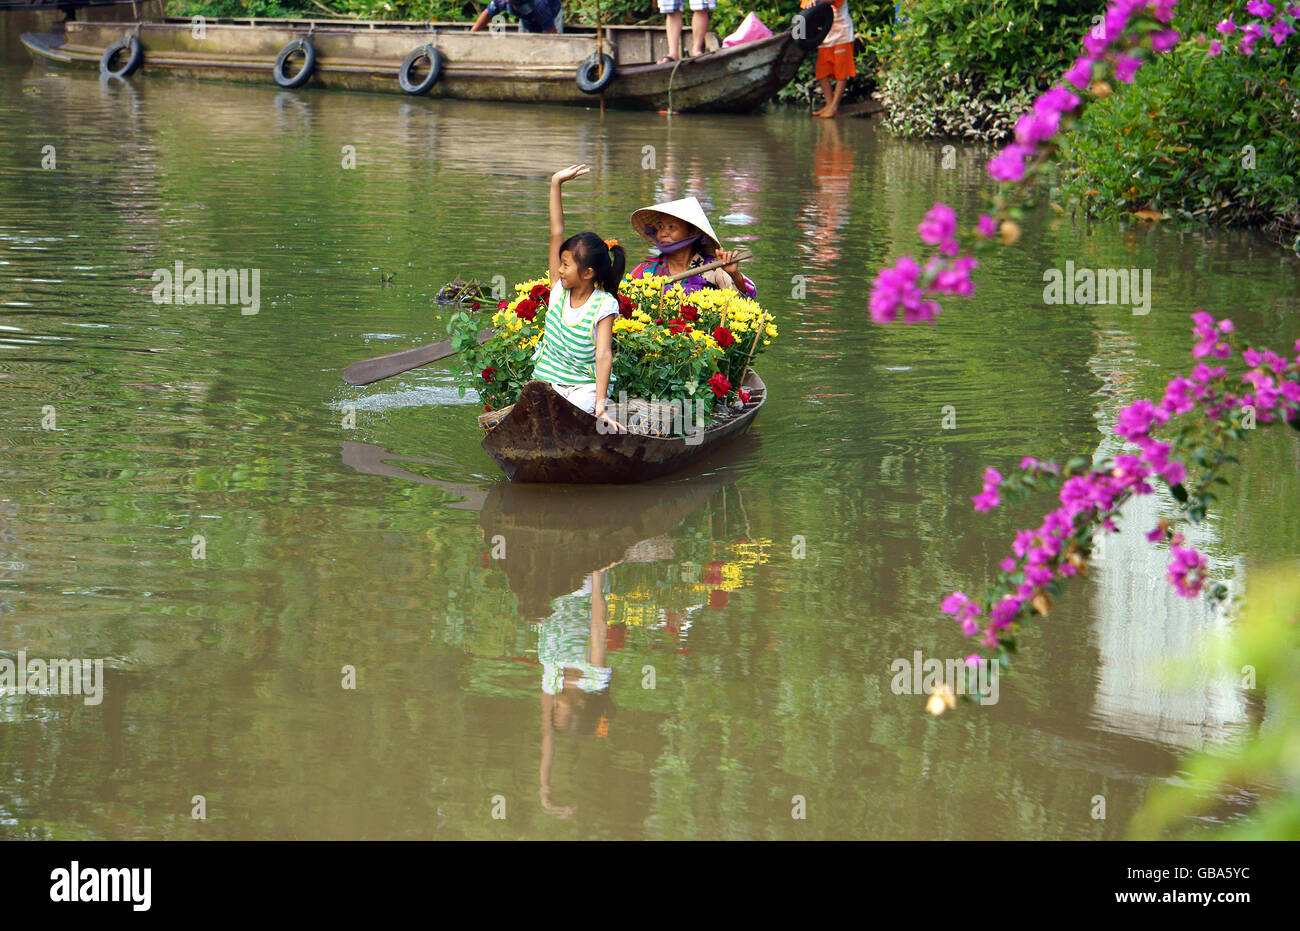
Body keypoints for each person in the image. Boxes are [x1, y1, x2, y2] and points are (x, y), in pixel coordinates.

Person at [532, 165, 626, 430]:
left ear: (587, 273)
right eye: (560, 263)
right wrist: (555, 183)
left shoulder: (603, 305)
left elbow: (604, 355)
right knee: (545, 410)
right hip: (548, 383)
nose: (559, 270)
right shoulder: (558, 290)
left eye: (566, 265)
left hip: (583, 388)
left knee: (570, 418)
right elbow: (556, 232)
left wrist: (600, 405)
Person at [626, 196, 756, 297]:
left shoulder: (712, 269)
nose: (663, 233)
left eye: (671, 227)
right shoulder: (647, 269)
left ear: (693, 231)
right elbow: (622, 296)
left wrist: (734, 275)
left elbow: (747, 297)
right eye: (660, 227)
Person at [804, 0, 856, 118]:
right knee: (822, 73)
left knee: (841, 72)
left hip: (842, 35)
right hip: (824, 37)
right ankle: (829, 104)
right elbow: (806, 10)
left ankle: (834, 106)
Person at [471, 0, 560, 34]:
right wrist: (471, 34)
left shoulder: (540, 6)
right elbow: (487, 14)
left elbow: (553, 35)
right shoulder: (500, 1)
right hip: (528, 19)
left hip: (552, 13)